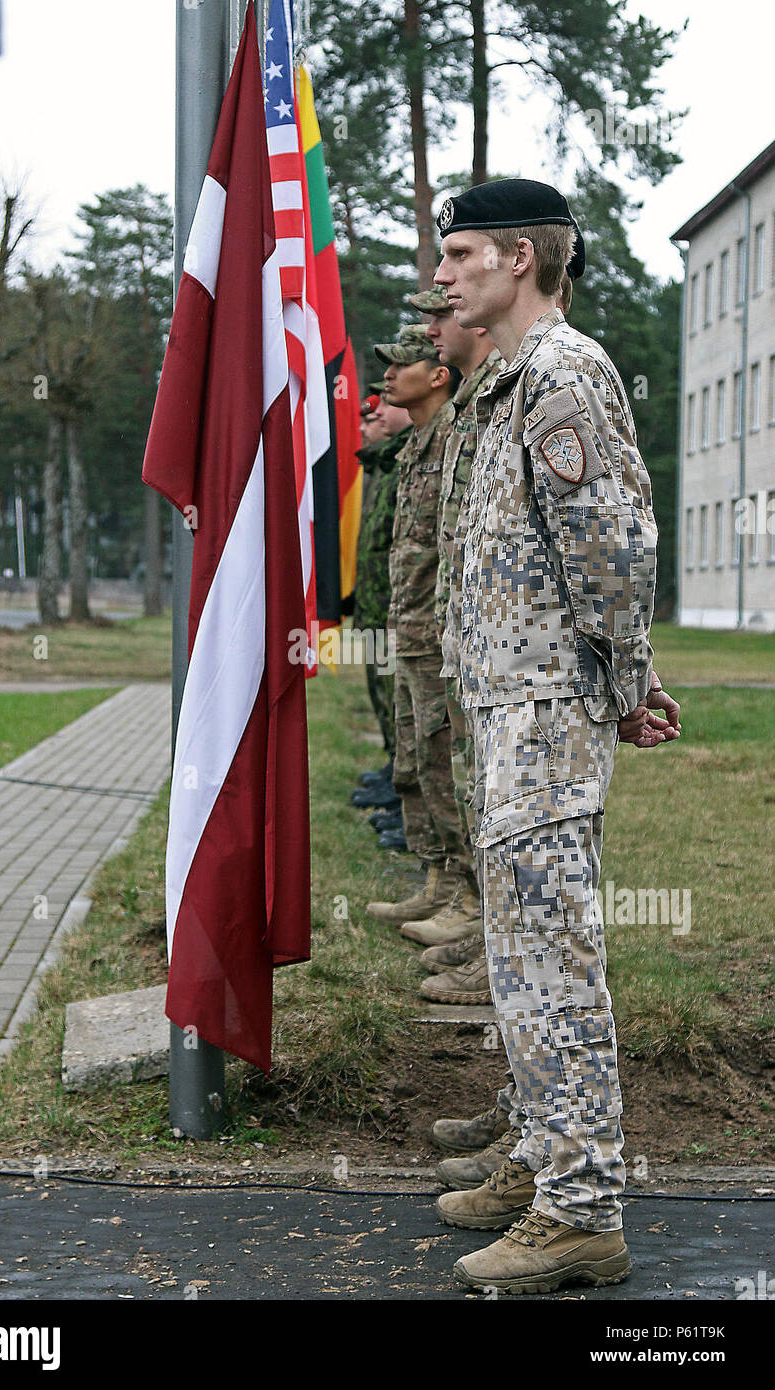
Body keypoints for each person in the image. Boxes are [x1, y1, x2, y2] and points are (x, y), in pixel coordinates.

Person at [428, 178, 681, 1294]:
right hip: (509, 707)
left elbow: (611, 553)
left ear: (522, 257)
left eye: (461, 253)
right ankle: (539, 1160)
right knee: (520, 958)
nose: (442, 274)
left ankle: (581, 1210)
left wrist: (627, 681)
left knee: (550, 964)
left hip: (545, 713)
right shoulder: (514, 381)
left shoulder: (563, 375)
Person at [365, 324, 474, 924]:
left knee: (442, 766)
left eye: (400, 363)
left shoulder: (455, 438)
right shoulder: (415, 448)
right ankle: (436, 878)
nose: (387, 374)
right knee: (411, 765)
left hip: (436, 639)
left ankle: (465, 892)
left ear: (437, 375)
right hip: (408, 633)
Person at [351, 387, 413, 847]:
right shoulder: (384, 467)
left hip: (397, 613)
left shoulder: (402, 462)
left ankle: (405, 794)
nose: (369, 425)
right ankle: (398, 777)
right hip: (378, 609)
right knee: (385, 696)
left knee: (401, 704)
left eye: (376, 415)